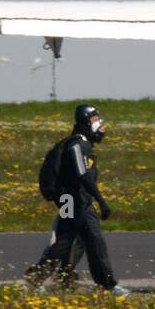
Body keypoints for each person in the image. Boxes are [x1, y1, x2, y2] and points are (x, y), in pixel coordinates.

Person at [26, 104, 126, 295]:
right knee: (65, 239)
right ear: (85, 122)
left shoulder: (84, 145)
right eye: (95, 120)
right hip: (68, 199)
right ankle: (36, 279)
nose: (100, 125)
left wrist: (92, 200)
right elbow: (83, 175)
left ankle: (107, 285)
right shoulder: (77, 145)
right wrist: (102, 201)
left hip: (82, 201)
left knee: (94, 240)